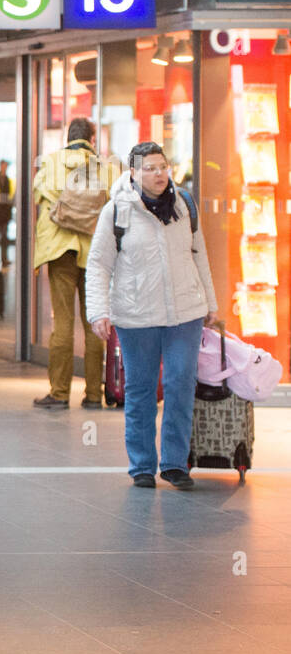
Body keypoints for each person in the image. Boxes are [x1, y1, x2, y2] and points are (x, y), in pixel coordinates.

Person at [86, 142, 218, 490]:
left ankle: (175, 463)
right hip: (136, 315)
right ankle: (142, 465)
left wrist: (210, 303)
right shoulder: (116, 211)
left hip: (184, 312)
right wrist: (98, 311)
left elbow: (198, 254)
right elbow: (98, 264)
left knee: (179, 384)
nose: (159, 174)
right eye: (150, 168)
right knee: (141, 389)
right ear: (133, 172)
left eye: (163, 166)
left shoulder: (184, 205)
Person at [32, 117, 120, 410]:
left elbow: (39, 199)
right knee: (95, 321)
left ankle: (59, 393)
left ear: (67, 137)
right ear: (92, 140)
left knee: (63, 322)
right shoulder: (105, 169)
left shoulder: (51, 163)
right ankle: (94, 394)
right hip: (94, 251)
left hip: (60, 250)